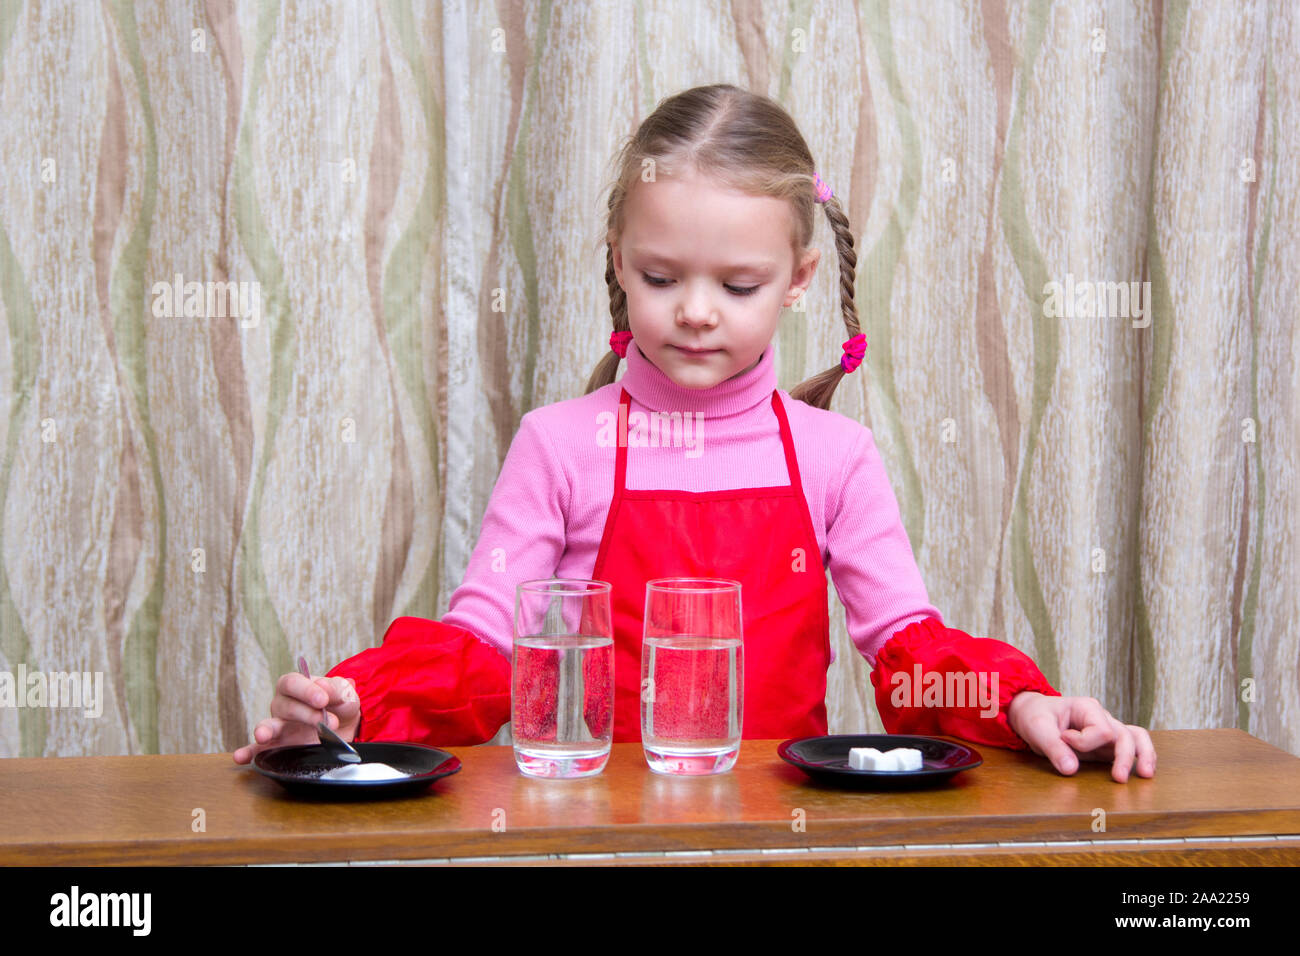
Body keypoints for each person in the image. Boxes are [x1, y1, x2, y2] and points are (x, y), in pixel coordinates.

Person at [233, 84, 1155, 783]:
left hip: (779, 833)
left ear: (797, 279)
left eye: (738, 285)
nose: (697, 314)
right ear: (618, 264)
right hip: (596, 833)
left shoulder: (836, 458)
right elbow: (481, 656)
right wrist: (356, 702)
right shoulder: (558, 445)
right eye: (663, 277)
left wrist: (1024, 700)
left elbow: (907, 659)